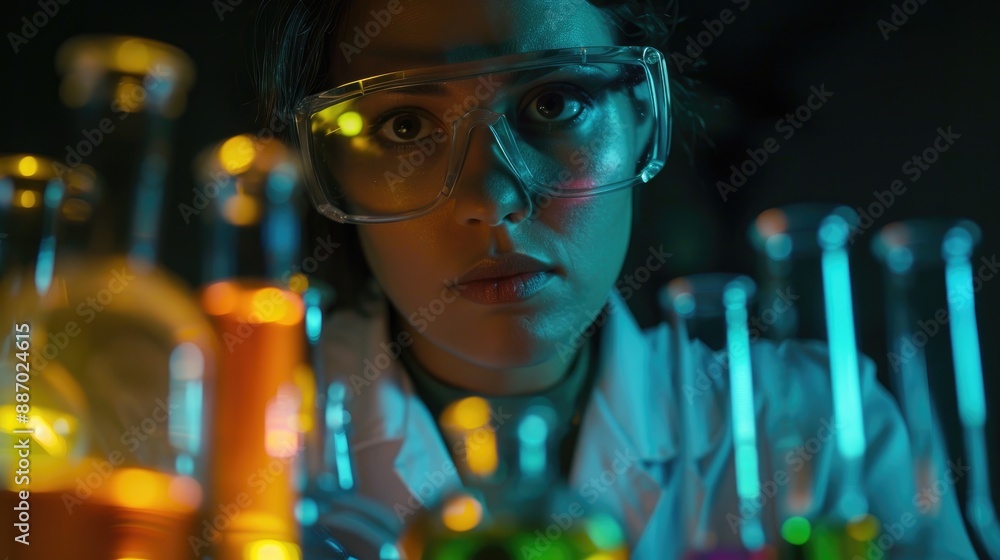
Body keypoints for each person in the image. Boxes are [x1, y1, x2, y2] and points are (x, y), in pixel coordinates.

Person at [255, 0, 977, 557]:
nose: (491, 199)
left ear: (639, 116)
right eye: (405, 127)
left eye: (553, 103)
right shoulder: (241, 443)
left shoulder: (814, 425)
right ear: (328, 170)